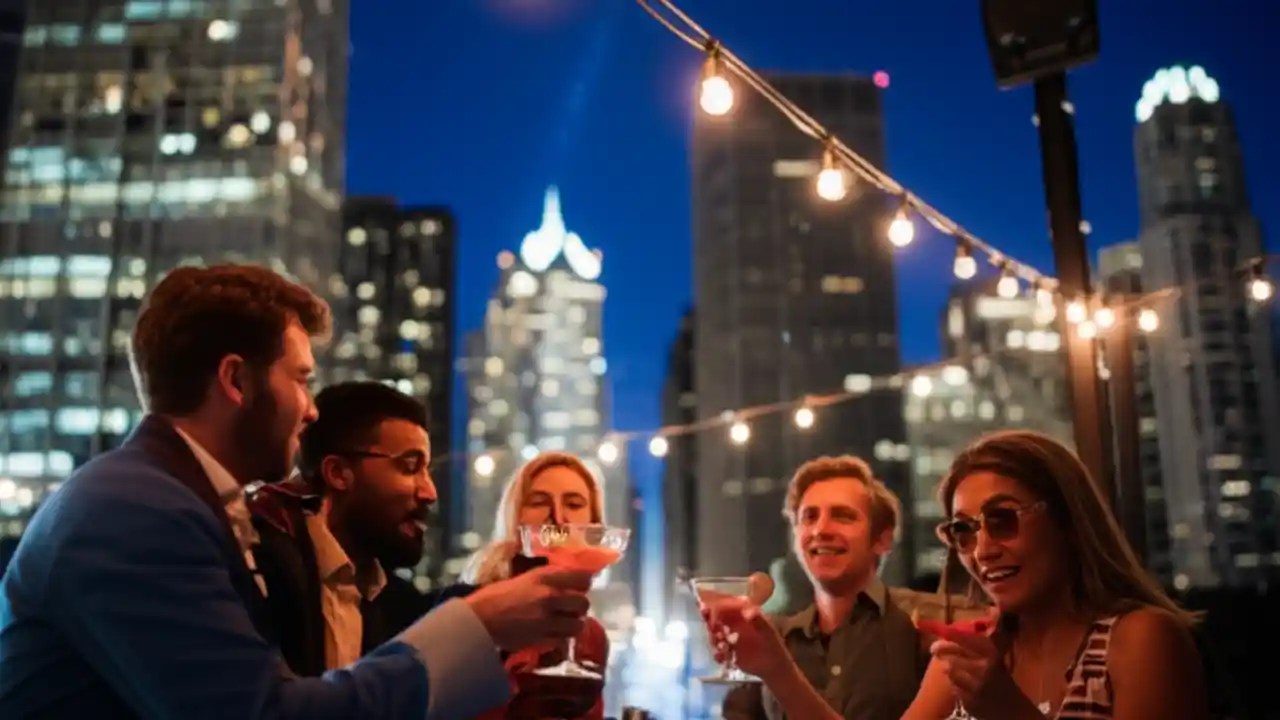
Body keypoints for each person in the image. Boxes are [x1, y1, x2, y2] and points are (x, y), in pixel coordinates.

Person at [0, 264, 595, 719]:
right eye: (302, 379)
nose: (312, 410)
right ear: (236, 380)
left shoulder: (176, 498)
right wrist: (476, 626)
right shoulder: (136, 511)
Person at [706, 430, 1209, 720]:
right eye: (964, 531)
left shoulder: (1139, 640)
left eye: (1003, 519)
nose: (982, 549)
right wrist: (776, 669)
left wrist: (1006, 710)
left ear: (1066, 519)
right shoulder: (970, 651)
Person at [248, 380, 467, 676]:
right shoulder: (258, 570)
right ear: (338, 473)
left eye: (427, 471)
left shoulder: (393, 602)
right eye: (409, 467)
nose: (430, 492)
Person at [721, 456, 928, 720]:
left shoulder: (923, 628)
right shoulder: (775, 639)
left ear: (882, 540)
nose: (821, 529)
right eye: (809, 517)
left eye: (843, 516)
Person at [462, 451, 612, 720]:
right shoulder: (477, 612)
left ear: (594, 527)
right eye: (539, 502)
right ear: (515, 520)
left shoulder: (592, 637)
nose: (558, 517)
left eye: (574, 504)